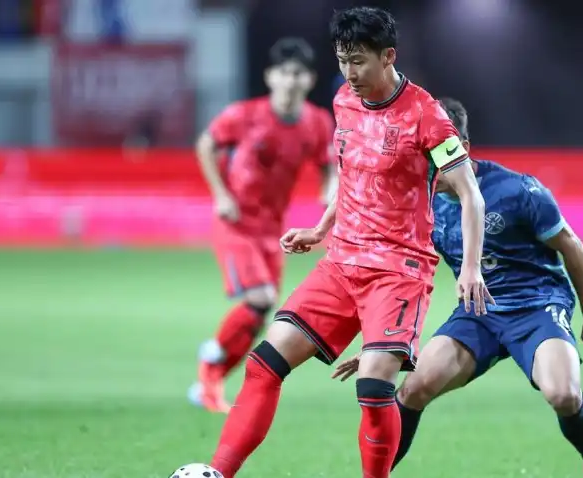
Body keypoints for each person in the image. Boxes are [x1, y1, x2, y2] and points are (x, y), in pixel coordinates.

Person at [207, 7, 492, 478]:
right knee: (263, 363)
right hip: (341, 263)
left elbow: (471, 195)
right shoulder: (344, 101)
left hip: (398, 271)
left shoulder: (426, 115)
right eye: (342, 60)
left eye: (358, 60)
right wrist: (322, 228)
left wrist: (471, 268)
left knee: (374, 386)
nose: (350, 73)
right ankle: (217, 472)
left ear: (389, 56)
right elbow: (352, 176)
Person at [332, 99, 583, 478]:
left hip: (536, 306)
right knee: (412, 389)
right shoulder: (423, 205)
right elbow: (401, 274)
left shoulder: (519, 191)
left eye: (434, 151)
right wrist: (381, 341)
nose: (426, 163)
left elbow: (571, 245)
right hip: (478, 312)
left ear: (463, 149)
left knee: (563, 395)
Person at [191, 37, 337, 413]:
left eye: (299, 74)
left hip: (274, 230)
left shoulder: (317, 123)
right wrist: (221, 195)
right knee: (261, 300)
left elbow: (329, 164)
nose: (291, 81)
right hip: (237, 223)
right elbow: (206, 144)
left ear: (309, 80)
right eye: (285, 73)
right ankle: (209, 365)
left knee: (259, 315)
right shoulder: (243, 115)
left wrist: (328, 191)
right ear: (271, 76)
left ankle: (209, 381)